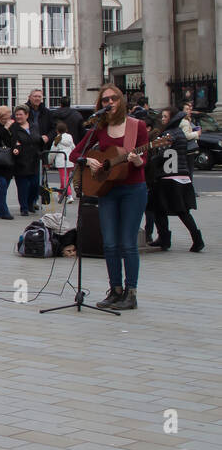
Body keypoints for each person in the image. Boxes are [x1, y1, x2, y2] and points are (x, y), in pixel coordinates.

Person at [78, 85, 148, 310]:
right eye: (105, 99)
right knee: (109, 243)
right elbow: (76, 152)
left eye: (113, 98)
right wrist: (87, 160)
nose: (109, 102)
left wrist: (139, 160)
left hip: (133, 189)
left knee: (127, 243)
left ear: (121, 101)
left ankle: (131, 293)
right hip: (107, 190)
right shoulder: (100, 127)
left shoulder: (137, 126)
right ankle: (115, 290)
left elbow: (144, 157)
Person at [148, 108, 204, 252]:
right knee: (183, 211)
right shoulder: (179, 132)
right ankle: (197, 239)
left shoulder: (168, 134)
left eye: (166, 117)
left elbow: (162, 155)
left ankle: (164, 238)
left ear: (172, 118)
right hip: (182, 176)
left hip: (169, 176)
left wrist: (151, 162)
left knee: (158, 209)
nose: (163, 119)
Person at [9, 106, 42, 217]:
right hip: (21, 161)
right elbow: (12, 142)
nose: (18, 117)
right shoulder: (14, 128)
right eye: (16, 114)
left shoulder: (34, 126)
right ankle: (24, 207)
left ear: (26, 115)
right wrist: (15, 147)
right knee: (23, 186)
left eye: (20, 114)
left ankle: (30, 203)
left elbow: (38, 140)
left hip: (34, 160)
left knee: (34, 185)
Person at [25, 89, 53, 212]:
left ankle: (33, 201)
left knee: (39, 177)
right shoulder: (24, 110)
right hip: (27, 148)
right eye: (35, 96)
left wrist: (48, 136)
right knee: (28, 178)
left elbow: (53, 128)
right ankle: (27, 201)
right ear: (30, 97)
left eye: (39, 96)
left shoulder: (46, 112)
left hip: (41, 148)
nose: (37, 98)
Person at [51, 124, 76, 200]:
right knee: (66, 178)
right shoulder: (70, 137)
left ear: (57, 130)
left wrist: (49, 160)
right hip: (70, 161)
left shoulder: (57, 138)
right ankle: (60, 194)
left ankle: (69, 195)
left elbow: (53, 151)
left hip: (61, 161)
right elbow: (73, 147)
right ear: (66, 130)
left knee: (64, 178)